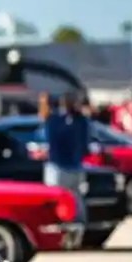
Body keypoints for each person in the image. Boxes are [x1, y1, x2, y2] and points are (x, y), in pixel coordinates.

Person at [40, 92, 90, 224]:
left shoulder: (55, 121)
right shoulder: (81, 122)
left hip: (58, 167)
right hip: (75, 165)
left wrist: (44, 101)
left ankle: (57, 221)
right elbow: (85, 146)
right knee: (76, 197)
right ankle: (78, 222)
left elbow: (44, 115)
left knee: (55, 197)